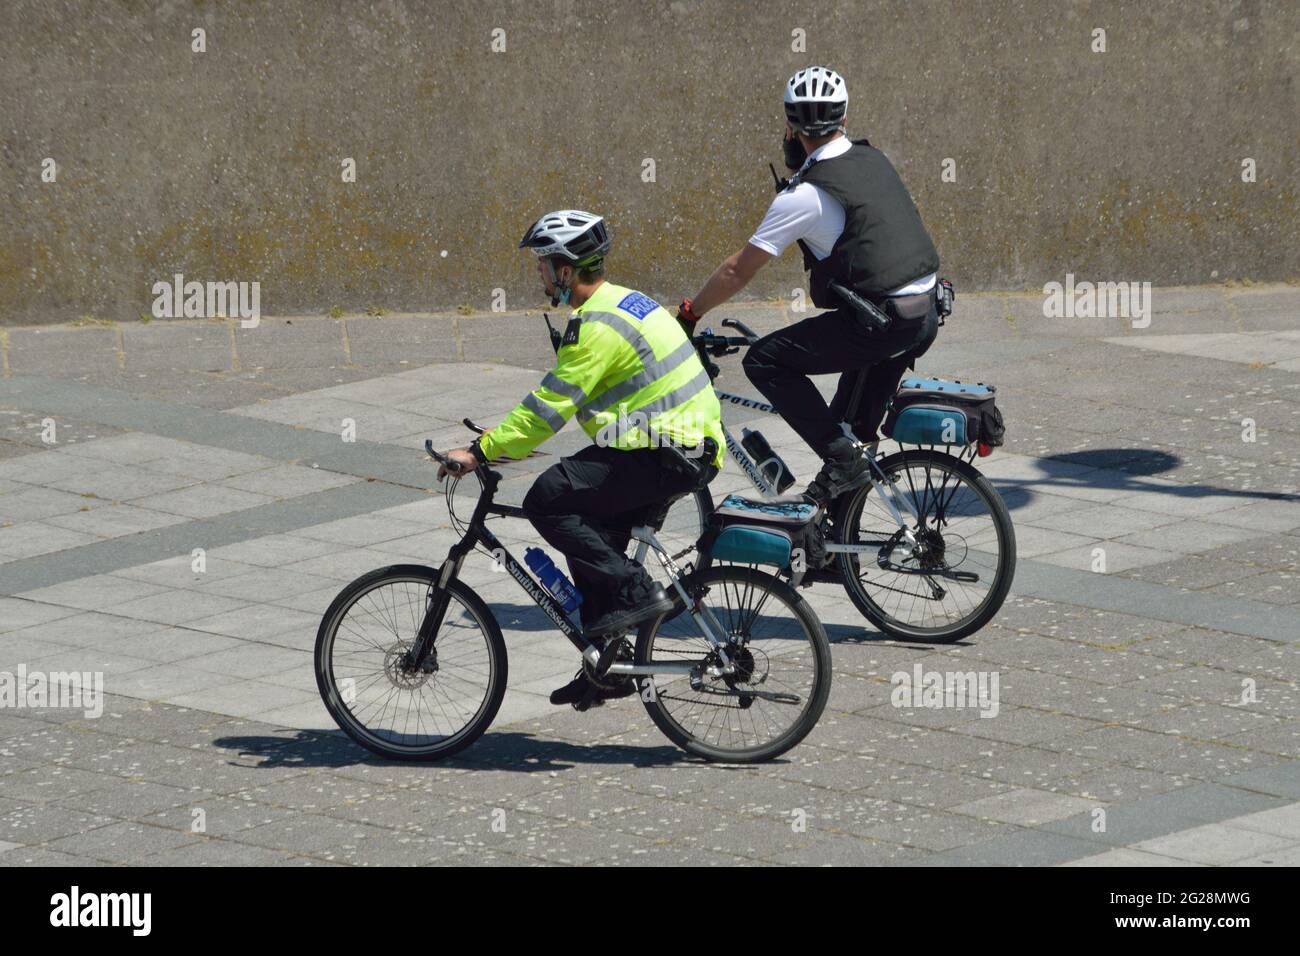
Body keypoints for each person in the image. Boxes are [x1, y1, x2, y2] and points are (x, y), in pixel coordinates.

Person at [437, 210, 724, 706]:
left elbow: (549, 408)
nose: (540, 274)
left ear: (566, 270)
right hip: (683, 446)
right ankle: (606, 664)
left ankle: (638, 591)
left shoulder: (593, 327)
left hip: (665, 453)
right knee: (589, 533)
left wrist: (481, 452)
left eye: (544, 264)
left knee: (549, 499)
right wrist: (505, 439)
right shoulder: (628, 301)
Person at [676, 66, 941, 505]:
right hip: (924, 314)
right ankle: (837, 544)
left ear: (790, 127)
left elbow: (737, 270)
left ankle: (843, 463)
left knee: (764, 362)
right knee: (849, 431)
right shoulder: (874, 159)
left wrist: (690, 313)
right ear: (844, 120)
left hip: (880, 323)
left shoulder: (803, 195)